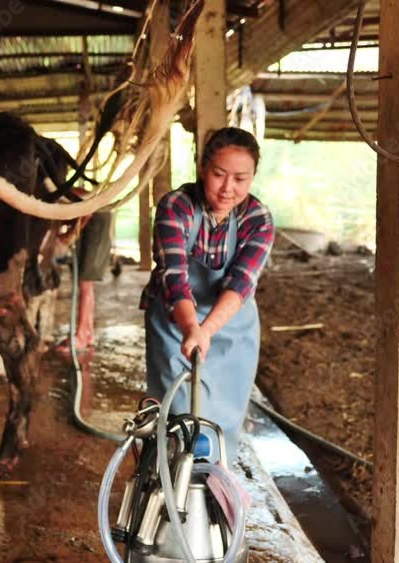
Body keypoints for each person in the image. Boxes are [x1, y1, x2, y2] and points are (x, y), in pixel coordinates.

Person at [141, 127, 274, 461]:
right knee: (180, 412)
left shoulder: (258, 219)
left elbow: (241, 283)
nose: (228, 188)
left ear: (253, 177)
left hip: (231, 326)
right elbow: (174, 274)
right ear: (202, 168)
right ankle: (164, 485)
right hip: (175, 321)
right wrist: (191, 329)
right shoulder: (176, 206)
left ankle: (211, 490)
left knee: (224, 421)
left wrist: (207, 330)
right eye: (219, 175)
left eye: (241, 179)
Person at [55, 208, 114, 354]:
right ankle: (87, 333)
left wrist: (70, 234)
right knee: (86, 286)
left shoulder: (68, 196)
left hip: (94, 232)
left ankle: (81, 336)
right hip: (92, 231)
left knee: (85, 285)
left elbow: (87, 213)